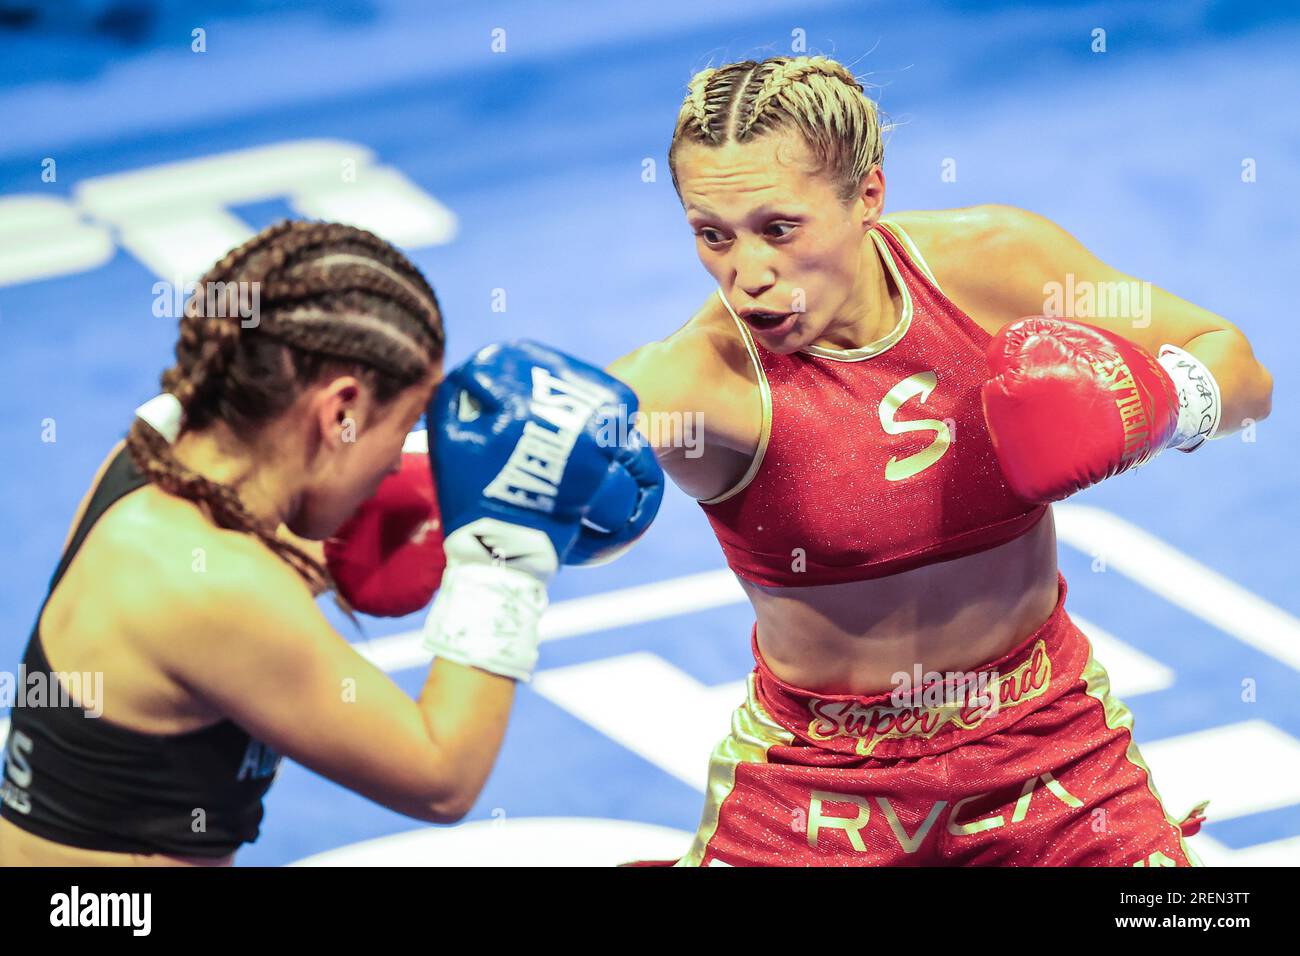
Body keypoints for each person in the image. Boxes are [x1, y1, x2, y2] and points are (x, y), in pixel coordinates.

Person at [609, 55, 1273, 865]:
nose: (748, 276)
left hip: (1050, 753)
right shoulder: (695, 379)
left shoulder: (998, 264)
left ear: (868, 195)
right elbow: (546, 445)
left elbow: (1239, 370)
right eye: (712, 236)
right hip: (817, 791)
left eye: (779, 228)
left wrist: (1150, 408)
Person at [0, 220, 661, 866]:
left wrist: (490, 475)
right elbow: (442, 777)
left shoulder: (157, 456)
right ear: (339, 411)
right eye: (403, 427)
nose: (392, 461)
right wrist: (507, 551)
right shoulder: (209, 588)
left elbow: (304, 532)